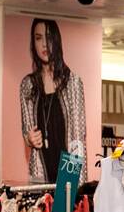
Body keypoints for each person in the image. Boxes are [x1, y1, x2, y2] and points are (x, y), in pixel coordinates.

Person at [19, 18, 87, 182]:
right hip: (40, 171)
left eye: (48, 38)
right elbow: (27, 130)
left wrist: (77, 180)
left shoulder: (72, 82)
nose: (44, 45)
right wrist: (29, 138)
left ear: (56, 40)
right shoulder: (28, 85)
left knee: (63, 208)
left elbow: (78, 137)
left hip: (68, 170)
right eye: (38, 38)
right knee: (39, 207)